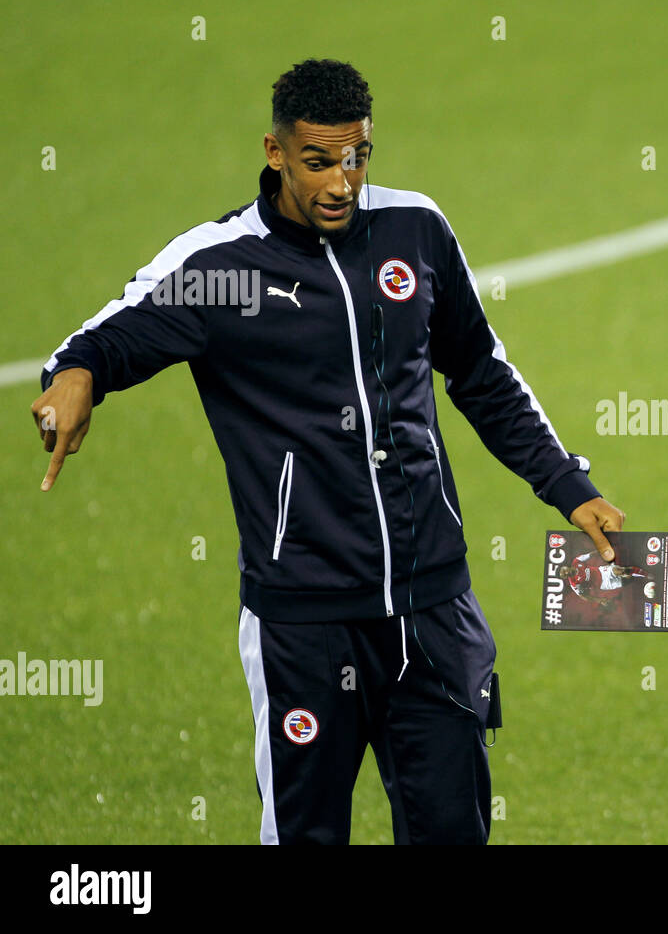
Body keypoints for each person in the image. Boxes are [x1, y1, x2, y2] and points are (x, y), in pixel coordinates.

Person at [29, 59, 626, 844]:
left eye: (359, 156)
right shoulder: (219, 269)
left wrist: (566, 483)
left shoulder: (416, 229)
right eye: (319, 162)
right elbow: (104, 338)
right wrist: (73, 378)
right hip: (302, 626)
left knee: (453, 830)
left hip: (432, 608)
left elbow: (480, 371)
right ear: (275, 152)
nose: (343, 181)